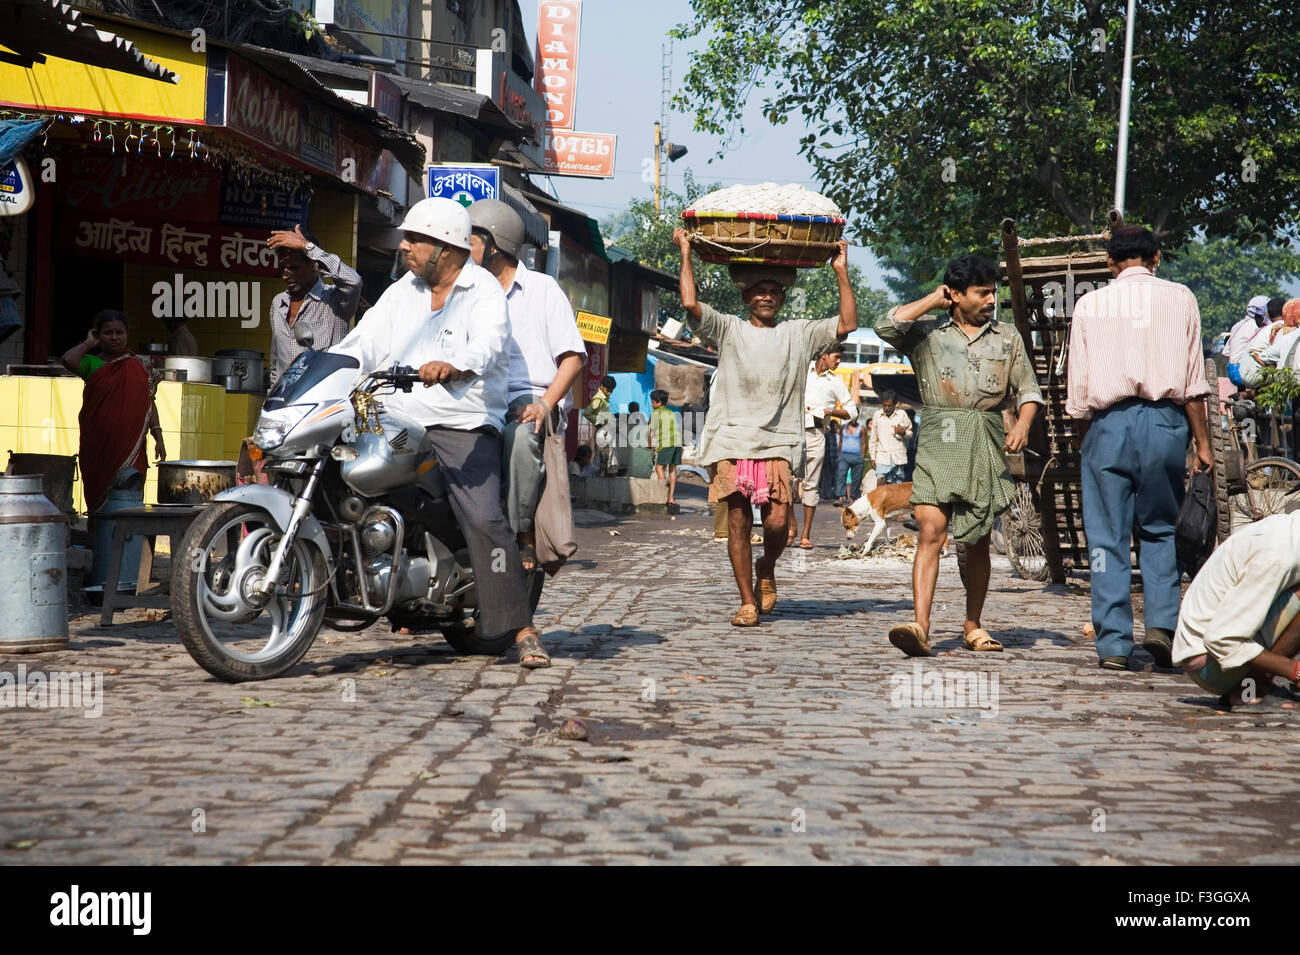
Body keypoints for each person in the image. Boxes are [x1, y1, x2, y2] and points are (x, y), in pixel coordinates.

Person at [329, 197, 549, 669]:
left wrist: (455, 366)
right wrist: (330, 368)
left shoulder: (483, 291)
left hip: (461, 423)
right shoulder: (399, 292)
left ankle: (523, 627)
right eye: (405, 237)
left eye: (414, 239)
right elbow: (361, 343)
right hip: (395, 415)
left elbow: (488, 346)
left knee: (484, 516)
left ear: (446, 248)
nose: (403, 245)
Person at [674, 227, 856, 626]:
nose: (766, 297)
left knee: (777, 525)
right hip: (733, 439)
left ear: (783, 298)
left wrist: (841, 269)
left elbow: (847, 323)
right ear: (745, 297)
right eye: (759, 291)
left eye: (774, 291)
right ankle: (746, 601)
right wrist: (685, 250)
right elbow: (689, 302)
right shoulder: (728, 329)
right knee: (738, 521)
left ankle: (767, 567)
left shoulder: (799, 334)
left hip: (778, 443)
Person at [877, 254, 1042, 657]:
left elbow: (1029, 391)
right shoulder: (927, 335)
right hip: (938, 439)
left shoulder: (1007, 338)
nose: (991, 299)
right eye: (981, 292)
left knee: (978, 540)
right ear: (956, 295)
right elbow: (886, 325)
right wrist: (933, 300)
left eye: (993, 291)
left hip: (984, 440)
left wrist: (1021, 425)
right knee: (931, 528)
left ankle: (973, 625)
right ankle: (921, 626)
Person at [1066, 225, 1213, 671]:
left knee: (1106, 536)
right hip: (1166, 425)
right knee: (1161, 528)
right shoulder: (1181, 298)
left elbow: (1078, 390)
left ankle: (1112, 643)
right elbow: (1192, 383)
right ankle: (1162, 629)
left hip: (1108, 426)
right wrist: (1202, 444)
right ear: (1157, 257)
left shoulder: (1089, 303)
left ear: (1110, 264)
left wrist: (1084, 443)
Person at [467, 198, 586, 573]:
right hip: (477, 396)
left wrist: (546, 404)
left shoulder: (542, 288)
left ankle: (521, 534)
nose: (461, 248)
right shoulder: (467, 291)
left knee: (520, 437)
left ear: (495, 245)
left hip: (529, 396)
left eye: (470, 241)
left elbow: (573, 358)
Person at [1173, 512, 1300, 709]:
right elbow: (1223, 640)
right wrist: (1294, 671)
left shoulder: (1290, 531)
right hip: (1209, 665)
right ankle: (1250, 691)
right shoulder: (1276, 557)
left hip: (1218, 655)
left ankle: (1251, 686)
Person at [60, 310, 166, 517]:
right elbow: (68, 360)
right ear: (98, 335)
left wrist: (158, 436)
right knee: (99, 499)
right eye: (108, 333)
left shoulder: (137, 366)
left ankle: (128, 543)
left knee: (129, 495)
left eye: (120, 332)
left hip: (131, 449)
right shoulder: (91, 363)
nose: (115, 337)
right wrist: (88, 343)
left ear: (127, 334)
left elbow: (149, 404)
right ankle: (101, 542)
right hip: (98, 447)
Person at [267, 224, 363, 387]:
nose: (285, 275)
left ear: (313, 264)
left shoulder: (334, 300)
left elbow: (353, 281)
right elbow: (276, 361)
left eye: (293, 268)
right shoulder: (278, 303)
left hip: (322, 400)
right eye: (282, 268)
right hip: (285, 401)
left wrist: (308, 247)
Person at [791, 343, 855, 548]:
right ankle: (791, 526)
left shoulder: (835, 382)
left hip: (817, 434)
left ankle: (805, 535)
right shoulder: (802, 369)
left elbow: (853, 412)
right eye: (836, 357)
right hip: (793, 431)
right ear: (824, 355)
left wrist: (830, 412)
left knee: (811, 484)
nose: (838, 361)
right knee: (788, 481)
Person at [1225, 295, 1271, 388]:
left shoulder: (1239, 324)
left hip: (1231, 369)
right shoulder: (1255, 325)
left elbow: (1226, 352)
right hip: (1240, 371)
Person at [868, 390, 913, 486]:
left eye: (889, 406)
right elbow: (873, 438)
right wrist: (872, 457)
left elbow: (910, 433)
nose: (887, 408)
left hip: (898, 458)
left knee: (895, 487)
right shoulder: (877, 415)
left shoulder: (902, 415)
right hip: (882, 456)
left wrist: (903, 432)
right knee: (880, 483)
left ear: (895, 404)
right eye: (884, 405)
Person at [649, 389, 682, 511]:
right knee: (672, 470)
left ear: (656, 402)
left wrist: (649, 445)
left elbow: (651, 431)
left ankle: (663, 495)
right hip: (677, 443)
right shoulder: (671, 413)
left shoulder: (656, 413)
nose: (651, 404)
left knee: (659, 468)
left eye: (652, 402)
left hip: (666, 444)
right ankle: (671, 498)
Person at [583, 375, 617, 474]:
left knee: (606, 456)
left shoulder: (605, 398)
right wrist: (600, 422)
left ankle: (603, 474)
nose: (610, 392)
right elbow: (587, 413)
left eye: (612, 390)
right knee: (601, 456)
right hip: (602, 431)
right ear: (602, 386)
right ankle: (598, 476)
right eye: (608, 389)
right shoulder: (598, 399)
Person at [834, 417, 865, 504]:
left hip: (857, 457)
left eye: (856, 416)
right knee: (841, 476)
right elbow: (840, 441)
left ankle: (853, 498)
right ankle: (840, 497)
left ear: (858, 416)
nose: (854, 419)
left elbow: (863, 444)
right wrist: (840, 455)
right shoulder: (843, 427)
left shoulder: (861, 428)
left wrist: (862, 458)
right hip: (844, 455)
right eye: (852, 416)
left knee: (856, 479)